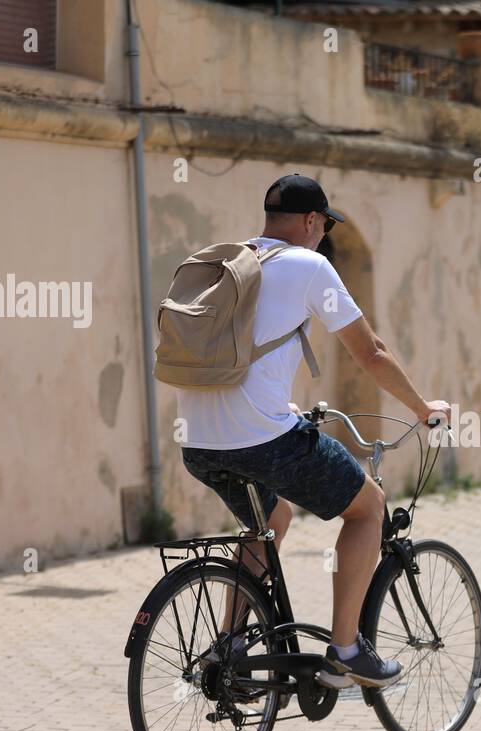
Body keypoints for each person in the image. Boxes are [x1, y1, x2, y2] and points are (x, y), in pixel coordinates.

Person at [178, 173, 450, 687]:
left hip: (197, 440)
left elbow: (238, 358)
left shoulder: (230, 260)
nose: (322, 236)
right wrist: (421, 406)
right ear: (310, 221)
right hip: (260, 440)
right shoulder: (309, 266)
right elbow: (370, 353)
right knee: (367, 507)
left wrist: (280, 408)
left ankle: (232, 646)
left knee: (271, 518)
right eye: (324, 227)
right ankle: (346, 650)